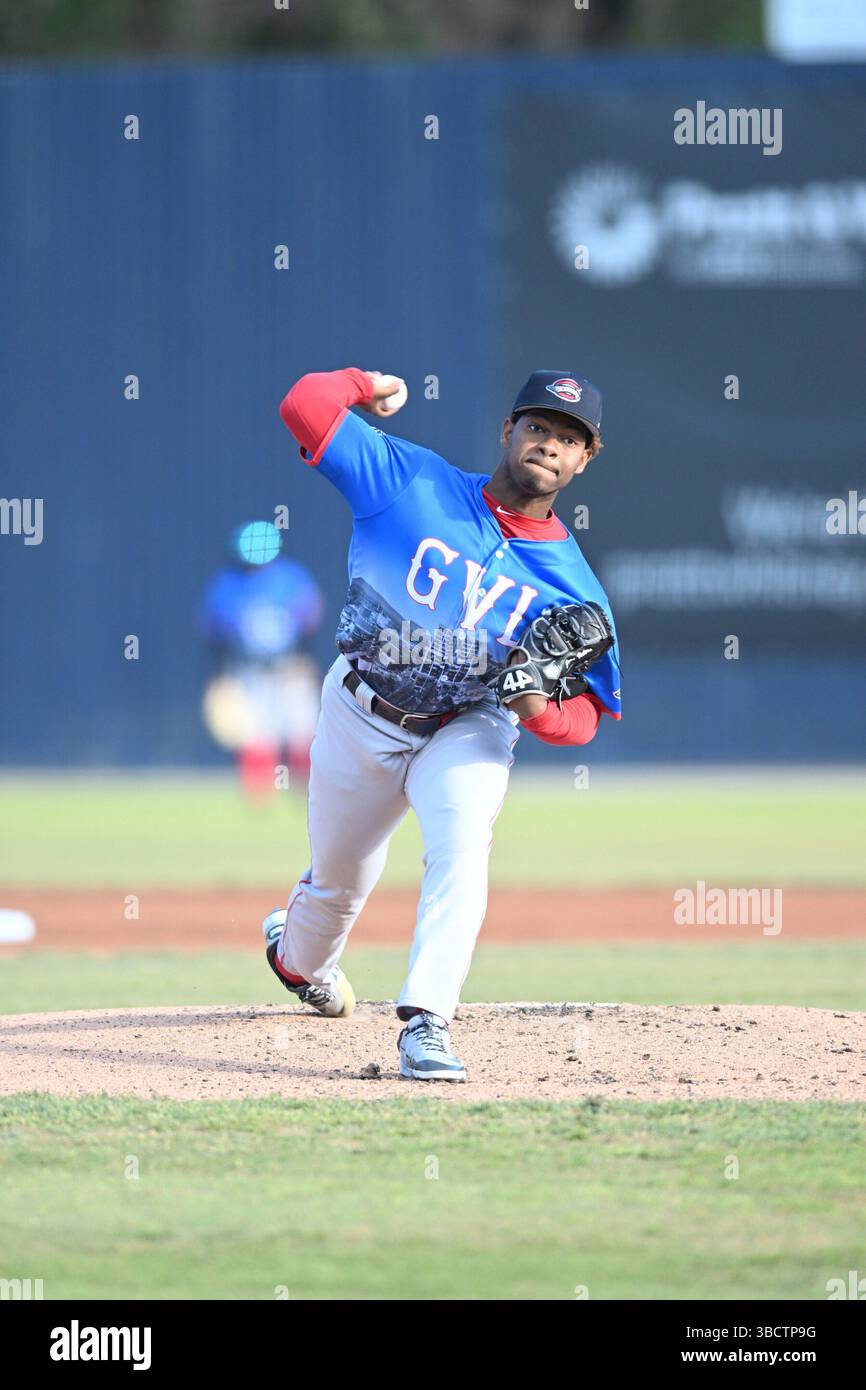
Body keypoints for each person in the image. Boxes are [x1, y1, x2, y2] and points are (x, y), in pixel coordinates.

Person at [262, 368, 621, 1080]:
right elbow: (303, 405)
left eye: (569, 438)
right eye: (539, 426)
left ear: (585, 460)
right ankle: (296, 960)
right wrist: (365, 384)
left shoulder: (577, 590)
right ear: (508, 432)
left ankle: (427, 1023)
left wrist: (537, 712)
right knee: (336, 890)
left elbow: (587, 718)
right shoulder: (410, 481)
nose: (550, 444)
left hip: (469, 724)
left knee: (462, 847)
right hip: (359, 711)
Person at [200, 523, 323, 796]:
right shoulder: (229, 584)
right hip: (249, 671)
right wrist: (219, 675)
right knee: (257, 735)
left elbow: (309, 626)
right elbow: (216, 636)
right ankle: (260, 799)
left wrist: (307, 663)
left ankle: (309, 794)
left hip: (289, 667)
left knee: (302, 732)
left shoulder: (291, 578)